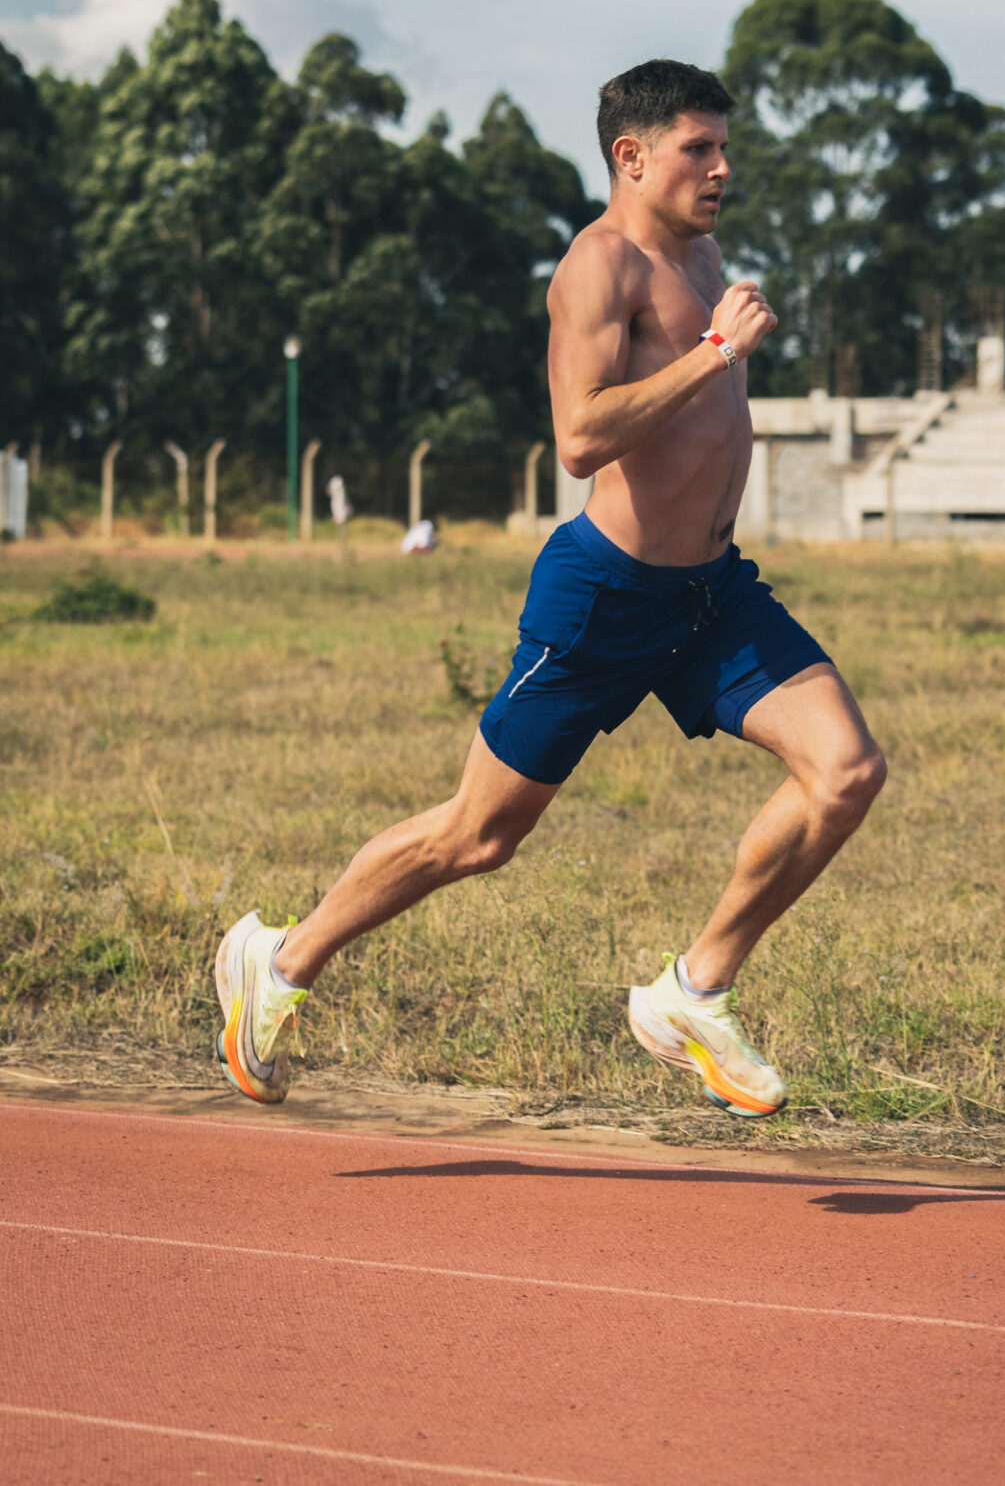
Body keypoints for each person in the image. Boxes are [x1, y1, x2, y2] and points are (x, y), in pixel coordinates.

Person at [215, 60, 887, 1117]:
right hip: (604, 596)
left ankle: (693, 989)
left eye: (722, 146)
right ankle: (282, 960)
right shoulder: (596, 268)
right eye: (697, 148)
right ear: (631, 155)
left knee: (845, 770)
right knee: (479, 835)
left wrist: (714, 344)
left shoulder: (705, 252)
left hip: (710, 593)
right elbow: (579, 438)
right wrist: (714, 352)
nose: (723, 166)